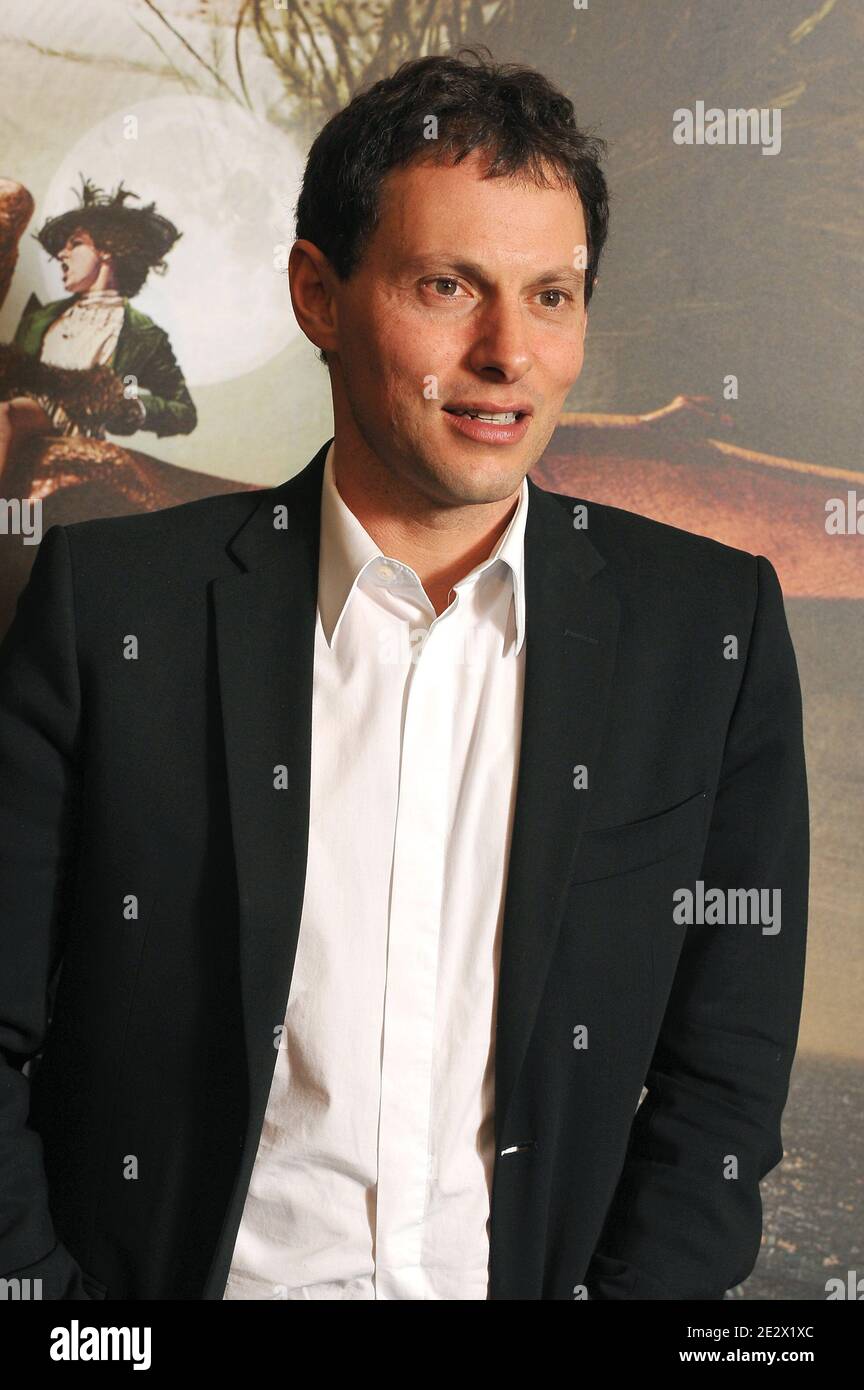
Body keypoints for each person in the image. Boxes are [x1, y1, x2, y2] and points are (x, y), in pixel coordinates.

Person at [0, 48, 807, 1301]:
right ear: (317, 295)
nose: (508, 354)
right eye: (449, 285)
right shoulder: (110, 611)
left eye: (552, 296)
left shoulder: (712, 628)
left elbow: (726, 1073)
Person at [0, 177, 196, 477]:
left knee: (4, 415)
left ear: (107, 250)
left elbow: (183, 412)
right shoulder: (39, 318)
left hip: (71, 427)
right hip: (26, 417)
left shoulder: (145, 334)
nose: (62, 255)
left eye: (75, 244)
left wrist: (127, 406)